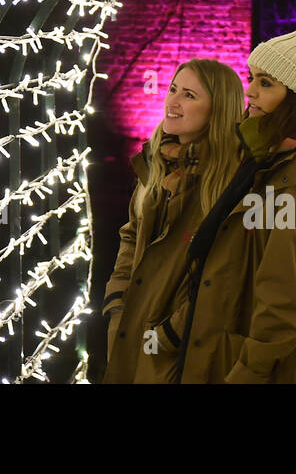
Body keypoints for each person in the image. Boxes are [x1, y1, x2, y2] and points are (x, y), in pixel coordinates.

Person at [155, 8, 296, 383]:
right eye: (251, 78)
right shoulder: (270, 160)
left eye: (266, 83)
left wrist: (246, 373)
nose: (250, 90)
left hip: (289, 368)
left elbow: (285, 305)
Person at [101, 58, 245, 384]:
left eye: (190, 95)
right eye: (173, 89)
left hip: (180, 347)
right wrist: (116, 306)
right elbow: (131, 236)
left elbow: (226, 275)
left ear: (217, 110)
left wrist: (170, 334)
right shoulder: (157, 165)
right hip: (130, 326)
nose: (173, 102)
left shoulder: (228, 183)